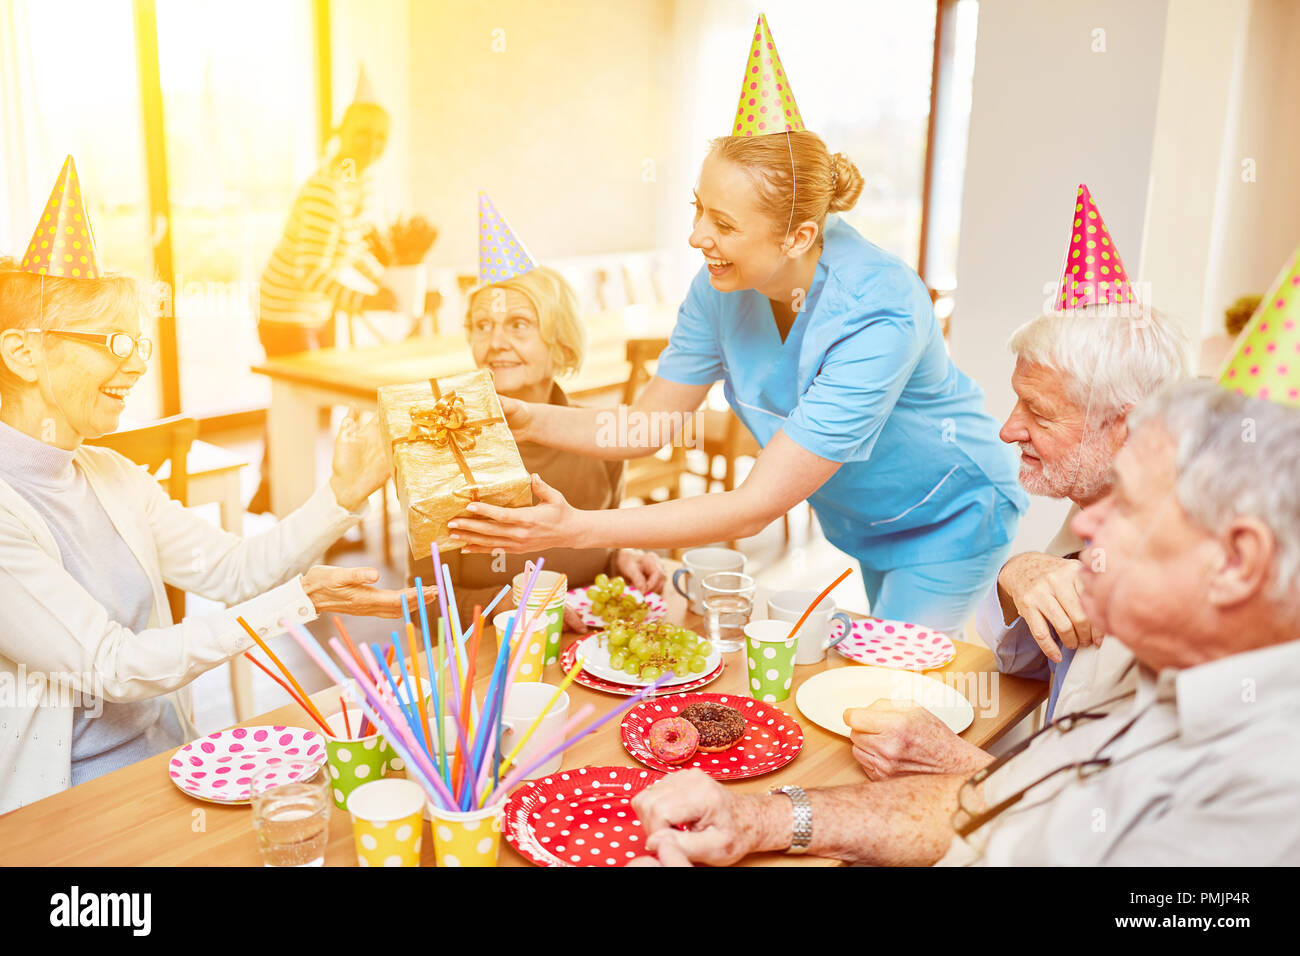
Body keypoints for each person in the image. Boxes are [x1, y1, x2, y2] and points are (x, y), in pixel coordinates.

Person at [442, 18, 1025, 635]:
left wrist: (580, 528)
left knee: (895, 693)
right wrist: (531, 419)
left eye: (722, 223)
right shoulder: (720, 288)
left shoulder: (880, 310)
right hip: (862, 518)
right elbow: (648, 425)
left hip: (947, 517)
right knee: (879, 677)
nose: (697, 237)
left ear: (799, 235)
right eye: (698, 209)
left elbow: (752, 509)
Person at [630, 368, 1300, 866]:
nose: (1089, 523)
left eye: (1125, 504)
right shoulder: (1166, 680)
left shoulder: (1268, 797)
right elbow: (985, 800)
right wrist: (765, 819)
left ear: (1238, 559)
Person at [0, 158, 429, 814]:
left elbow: (231, 572)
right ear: (24, 353)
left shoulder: (109, 474)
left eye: (139, 345)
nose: (133, 366)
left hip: (171, 764)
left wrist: (341, 495)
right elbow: (110, 665)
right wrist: (294, 604)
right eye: (115, 341)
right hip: (70, 809)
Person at [850, 300, 1190, 779]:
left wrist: (956, 763)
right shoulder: (1102, 498)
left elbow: (1108, 820)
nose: (1009, 430)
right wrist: (1020, 573)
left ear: (1126, 428)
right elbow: (1024, 660)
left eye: (1039, 412)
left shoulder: (1183, 599)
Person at [409, 196, 663, 629]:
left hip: (589, 656)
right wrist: (510, 604)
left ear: (560, 344)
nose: (496, 343)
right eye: (483, 326)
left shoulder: (602, 437)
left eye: (518, 325)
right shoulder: (440, 454)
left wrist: (621, 558)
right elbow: (423, 606)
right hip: (491, 666)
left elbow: (597, 544)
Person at [249, 69, 396, 514]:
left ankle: (288, 497)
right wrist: (367, 299)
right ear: (341, 134)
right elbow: (310, 270)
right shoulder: (325, 191)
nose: (371, 145)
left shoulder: (359, 184)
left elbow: (348, 248)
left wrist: (387, 280)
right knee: (297, 402)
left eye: (379, 137)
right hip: (285, 310)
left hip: (315, 309)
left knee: (316, 407)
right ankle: (282, 499)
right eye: (362, 134)